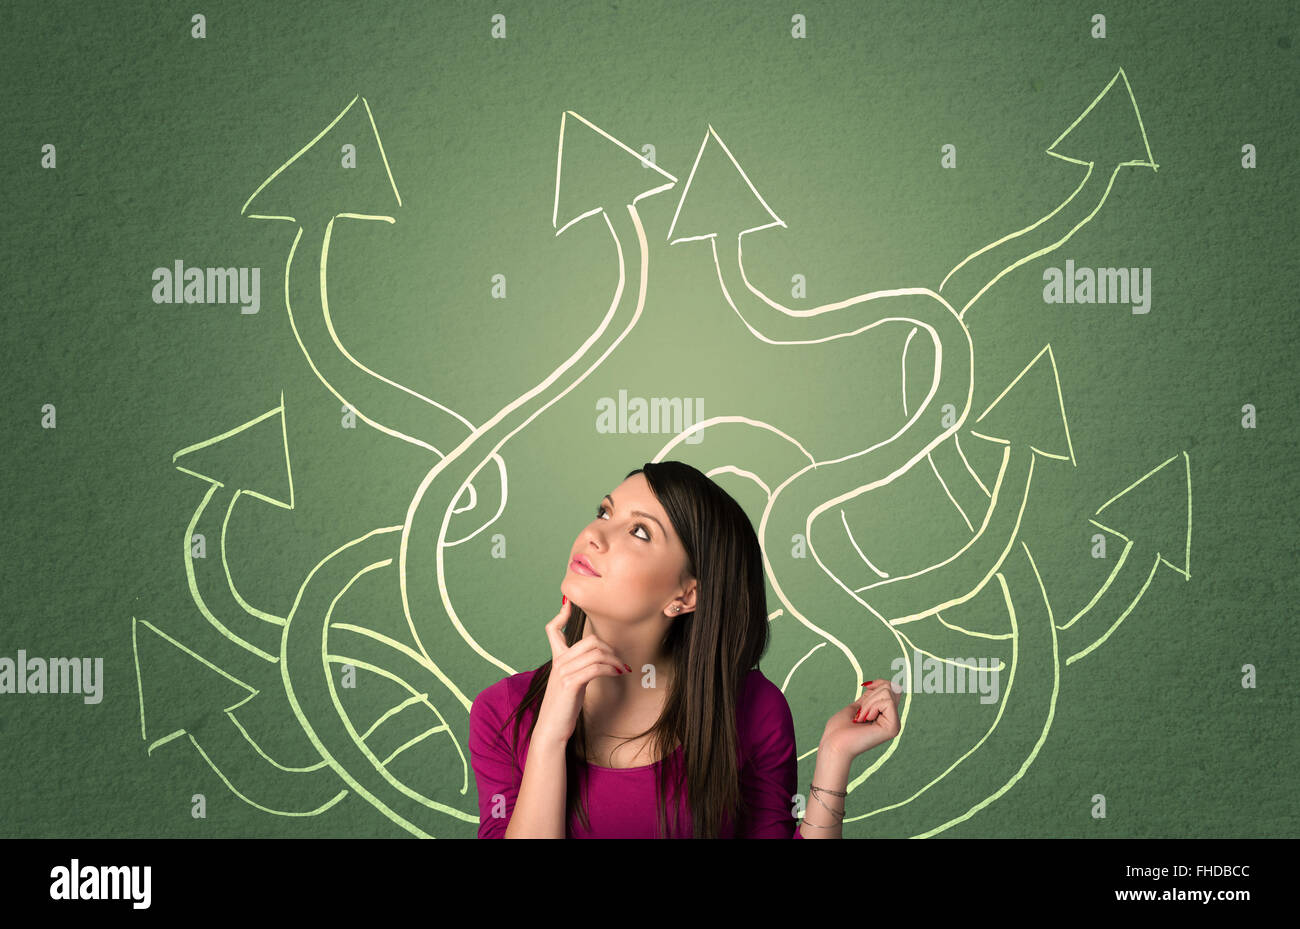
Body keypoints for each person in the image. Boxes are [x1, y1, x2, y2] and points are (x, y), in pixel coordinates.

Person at [469, 460, 901, 838]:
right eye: (604, 511)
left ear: (686, 594)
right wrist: (548, 737)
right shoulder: (501, 712)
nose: (594, 535)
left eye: (639, 532)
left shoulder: (752, 710)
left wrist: (833, 758)